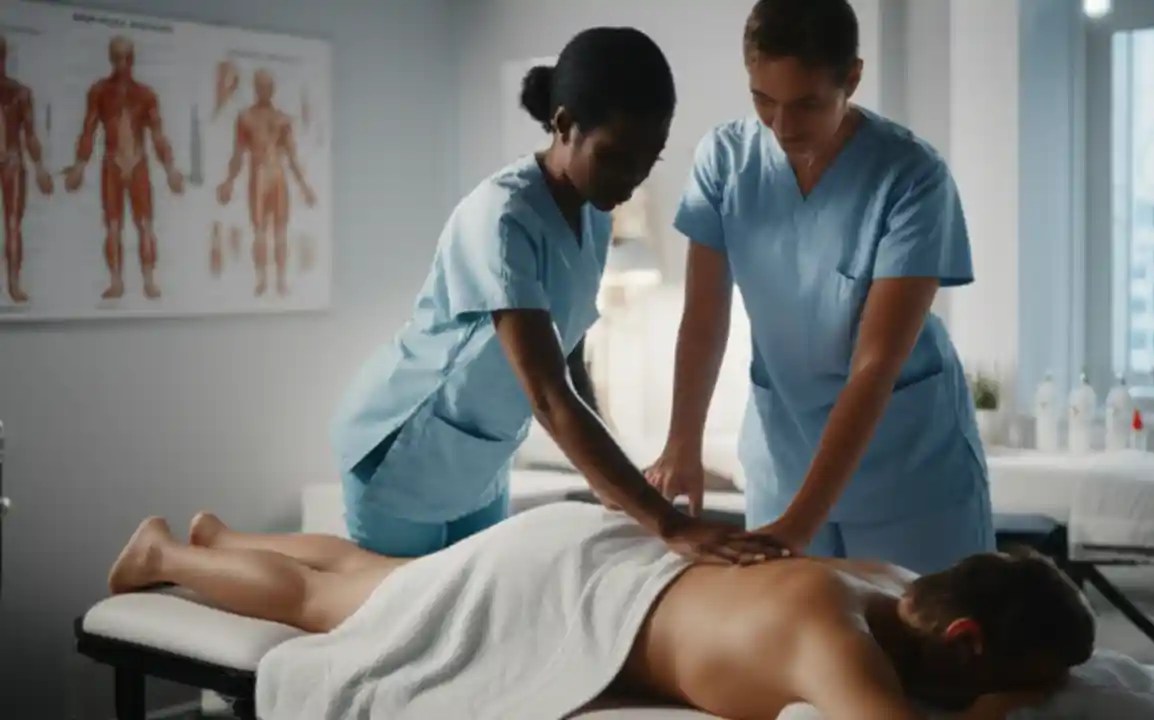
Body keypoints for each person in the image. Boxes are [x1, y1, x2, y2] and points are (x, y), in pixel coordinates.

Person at [329, 27, 787, 564]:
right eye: (617, 156)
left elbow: (567, 353)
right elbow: (547, 393)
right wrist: (668, 523)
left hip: (477, 463)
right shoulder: (503, 218)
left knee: (476, 621)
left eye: (651, 158)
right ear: (565, 125)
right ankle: (222, 547)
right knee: (378, 612)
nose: (634, 177)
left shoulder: (593, 212)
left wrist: (612, 477)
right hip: (404, 449)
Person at [106, 503, 1094, 720]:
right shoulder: (833, 646)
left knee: (381, 571)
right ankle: (163, 554)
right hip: (569, 593)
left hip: (600, 558)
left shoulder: (884, 575)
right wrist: (992, 709)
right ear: (962, 640)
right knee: (340, 602)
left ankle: (223, 540)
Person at [645, 0, 992, 573]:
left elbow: (875, 363)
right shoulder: (723, 161)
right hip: (785, 455)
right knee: (801, 647)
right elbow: (705, 318)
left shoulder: (911, 176)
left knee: (928, 647)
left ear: (852, 78)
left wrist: (801, 524)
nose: (782, 126)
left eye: (807, 104)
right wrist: (683, 440)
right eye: (763, 100)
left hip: (906, 466)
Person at [63, 35, 185, 301]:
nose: (122, 64)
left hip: (138, 162)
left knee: (145, 226)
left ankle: (149, 280)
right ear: (110, 59)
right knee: (114, 227)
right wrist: (79, 166)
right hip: (113, 162)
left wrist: (171, 169)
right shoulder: (99, 91)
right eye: (117, 58)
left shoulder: (146, 94)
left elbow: (158, 135)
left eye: (127, 58)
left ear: (133, 59)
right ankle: (116, 281)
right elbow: (89, 130)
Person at [217, 67, 318, 297]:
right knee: (260, 232)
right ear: (255, 88)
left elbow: (292, 156)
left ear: (273, 89)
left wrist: (304, 186)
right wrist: (229, 182)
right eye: (260, 86)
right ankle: (262, 279)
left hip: (278, 177)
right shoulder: (245, 118)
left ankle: (281, 280)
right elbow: (238, 154)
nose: (264, 90)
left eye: (268, 86)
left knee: (280, 232)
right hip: (259, 177)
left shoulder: (283, 120)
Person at [0, 34, 55, 304]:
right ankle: (13, 284)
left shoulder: (21, 93)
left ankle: (13, 283)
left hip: (12, 160)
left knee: (13, 225)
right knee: (12, 226)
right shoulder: (20, 93)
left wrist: (41, 168)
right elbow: (30, 136)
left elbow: (31, 135)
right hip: (11, 160)